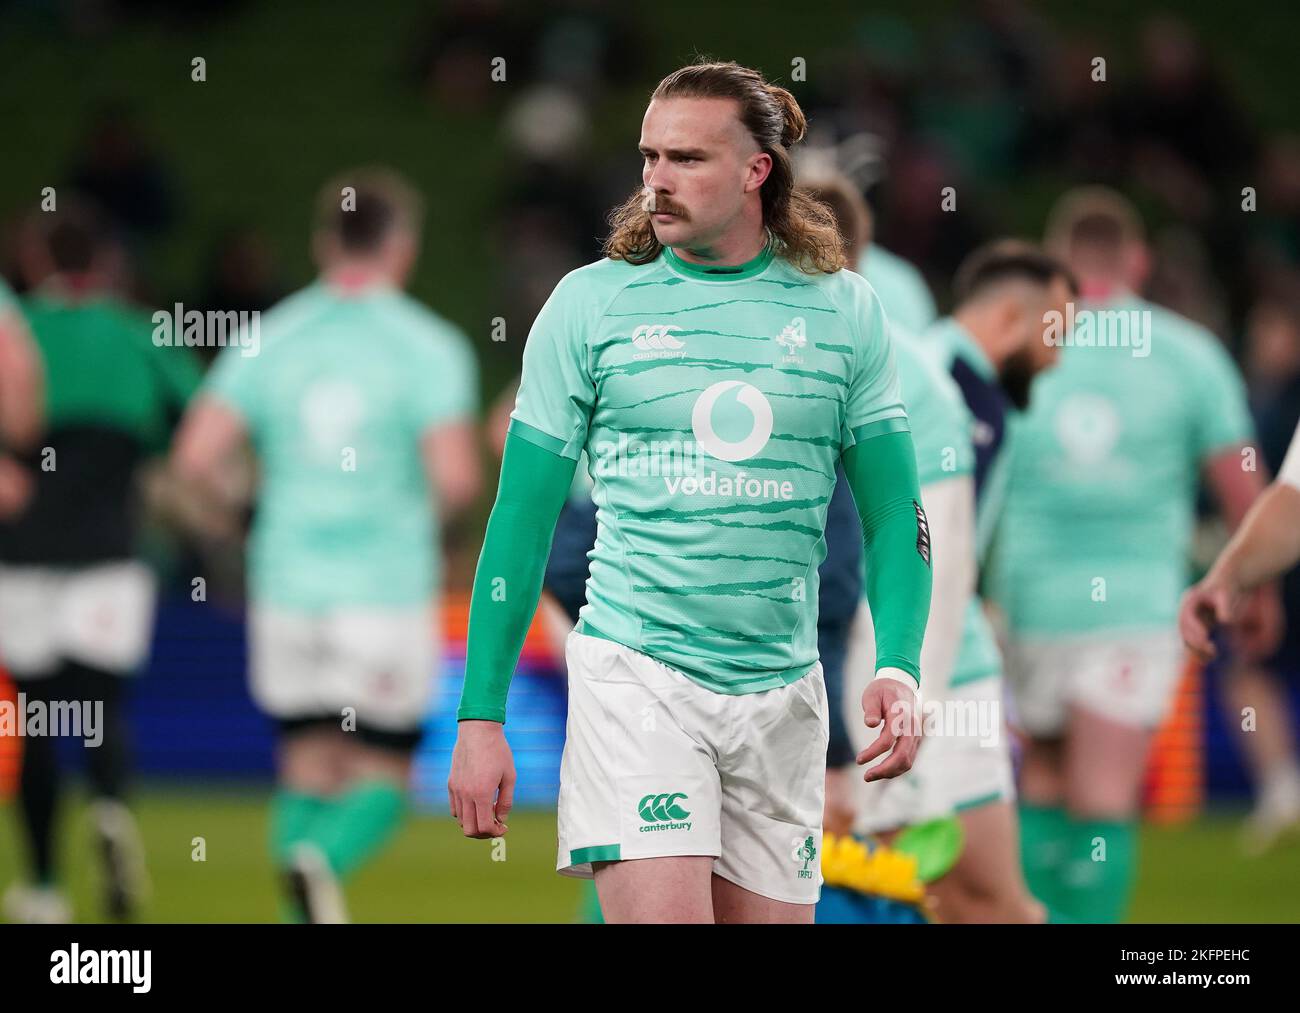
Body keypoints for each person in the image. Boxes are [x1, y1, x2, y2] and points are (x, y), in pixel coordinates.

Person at [448, 60, 932, 924]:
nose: (657, 179)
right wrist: (481, 715)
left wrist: (897, 662)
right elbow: (520, 520)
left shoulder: (845, 311)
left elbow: (897, 511)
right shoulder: (588, 306)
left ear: (757, 171)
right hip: (637, 677)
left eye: (687, 158)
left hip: (784, 693)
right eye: (650, 156)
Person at [171, 168, 481, 923]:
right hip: (383, 586)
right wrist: (419, 523)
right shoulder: (426, 345)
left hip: (287, 584)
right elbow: (456, 478)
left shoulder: (272, 335)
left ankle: (301, 894)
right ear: (400, 246)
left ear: (324, 240)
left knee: (307, 767)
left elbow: (194, 458)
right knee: (386, 772)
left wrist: (246, 520)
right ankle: (322, 862)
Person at [986, 187, 1276, 923]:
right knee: (1104, 797)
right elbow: (1243, 485)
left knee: (1043, 781)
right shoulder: (1188, 351)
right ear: (1137, 261)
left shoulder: (1020, 340)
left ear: (1054, 262)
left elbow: (974, 472)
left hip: (1030, 599)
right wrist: (1258, 586)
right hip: (1136, 604)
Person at [857, 236, 1075, 923]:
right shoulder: (947, 384)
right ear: (1011, 318)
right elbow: (926, 548)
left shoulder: (962, 385)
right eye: (1055, 334)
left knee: (956, 899)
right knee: (974, 903)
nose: (1058, 357)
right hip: (930, 676)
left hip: (937, 670)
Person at [0, 203, 201, 923]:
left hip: (21, 554)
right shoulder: (139, 332)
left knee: (37, 717)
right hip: (112, 553)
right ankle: (111, 809)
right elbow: (197, 425)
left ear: (35, 259)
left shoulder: (15, 329)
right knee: (102, 708)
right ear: (107, 261)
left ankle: (45, 886)